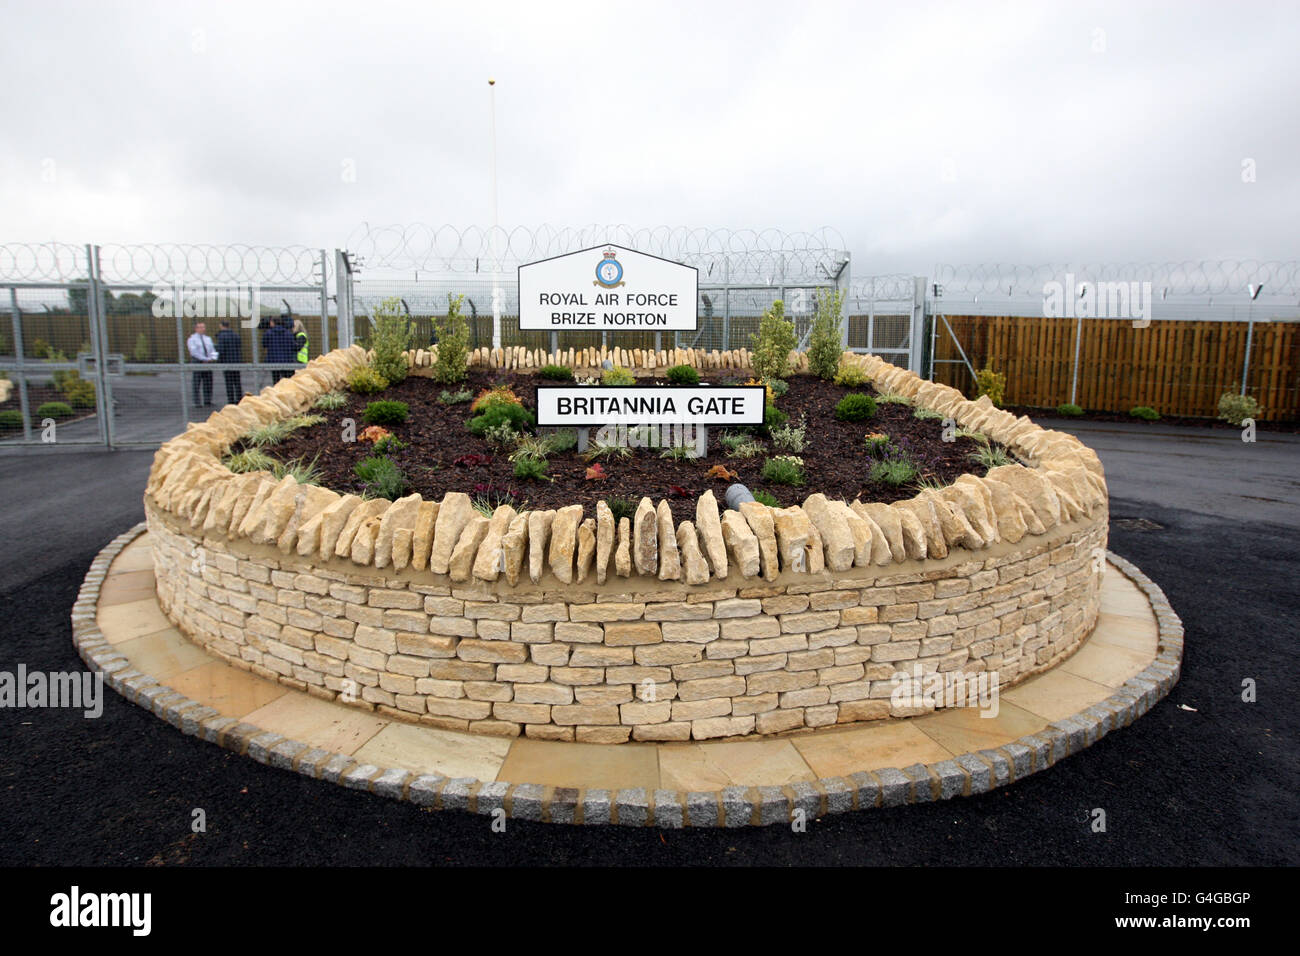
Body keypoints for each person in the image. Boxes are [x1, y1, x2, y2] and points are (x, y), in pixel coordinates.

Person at [186, 321, 217, 406]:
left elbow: (213, 350)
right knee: (196, 382)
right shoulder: (192, 339)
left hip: (208, 362)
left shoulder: (208, 339)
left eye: (204, 327)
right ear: (196, 329)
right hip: (198, 361)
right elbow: (194, 352)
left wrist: (212, 358)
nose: (203, 329)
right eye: (201, 327)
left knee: (208, 382)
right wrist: (204, 359)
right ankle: (197, 402)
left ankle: (208, 400)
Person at [215, 320, 243, 406]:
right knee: (237, 381)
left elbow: (221, 350)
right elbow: (239, 347)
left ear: (221, 326)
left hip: (227, 361)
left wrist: (219, 361)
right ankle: (239, 398)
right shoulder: (236, 335)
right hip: (236, 361)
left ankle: (231, 400)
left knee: (229, 382)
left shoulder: (222, 336)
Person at [266, 316, 297, 382]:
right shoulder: (288, 333)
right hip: (287, 361)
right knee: (288, 381)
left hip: (274, 361)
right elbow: (293, 346)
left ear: (273, 322)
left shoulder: (269, 333)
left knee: (276, 381)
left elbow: (264, 344)